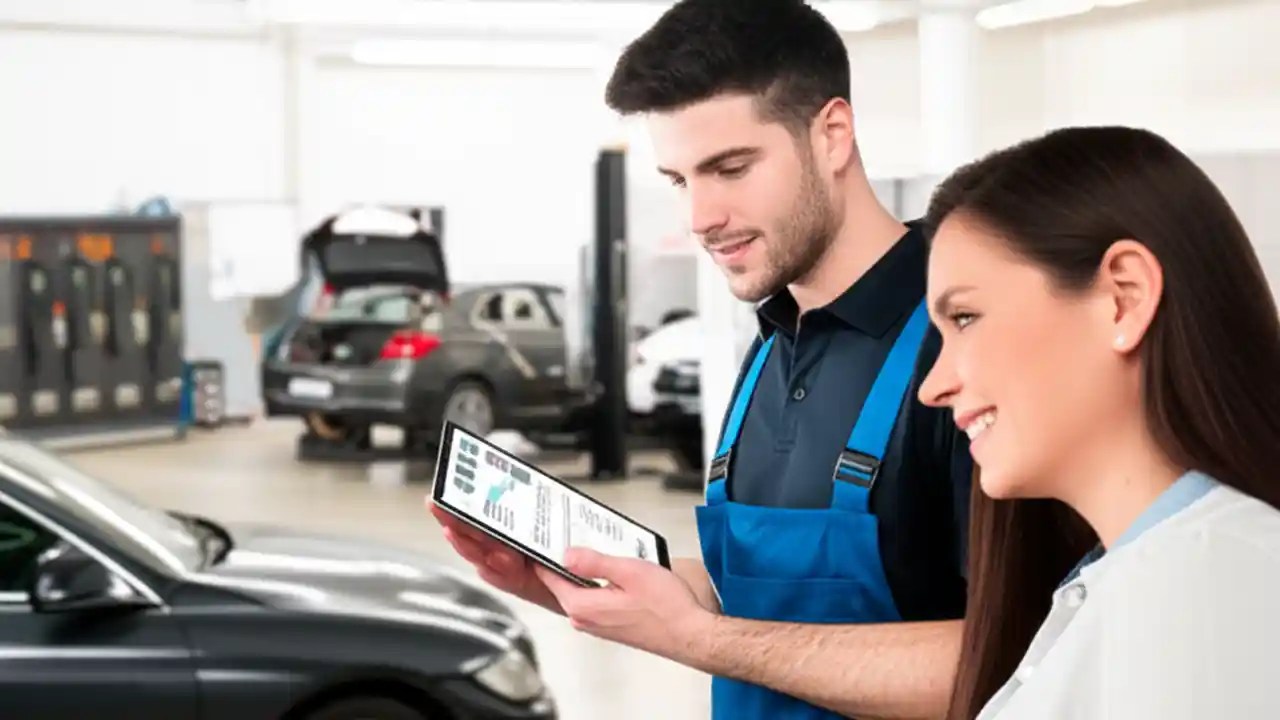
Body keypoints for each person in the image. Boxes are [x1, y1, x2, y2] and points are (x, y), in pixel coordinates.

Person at [431, 1, 973, 718]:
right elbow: (744, 599)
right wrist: (570, 581)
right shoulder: (771, 344)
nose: (700, 219)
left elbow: (1016, 658)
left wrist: (704, 642)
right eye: (682, 181)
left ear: (832, 135)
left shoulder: (962, 342)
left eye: (731, 168)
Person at [915, 125, 1280, 719]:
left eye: (965, 317)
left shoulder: (1207, 585)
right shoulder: (1158, 574)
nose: (933, 385)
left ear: (1124, 298)